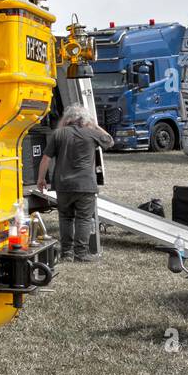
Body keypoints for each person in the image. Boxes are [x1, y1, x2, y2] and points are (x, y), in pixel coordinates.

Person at [37, 104, 113, 262]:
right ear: (84, 120)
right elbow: (110, 141)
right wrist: (95, 124)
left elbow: (46, 158)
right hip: (85, 185)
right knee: (83, 219)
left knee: (65, 218)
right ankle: (81, 253)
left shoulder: (58, 134)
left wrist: (41, 179)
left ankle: (66, 253)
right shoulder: (91, 133)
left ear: (68, 119)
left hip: (63, 185)